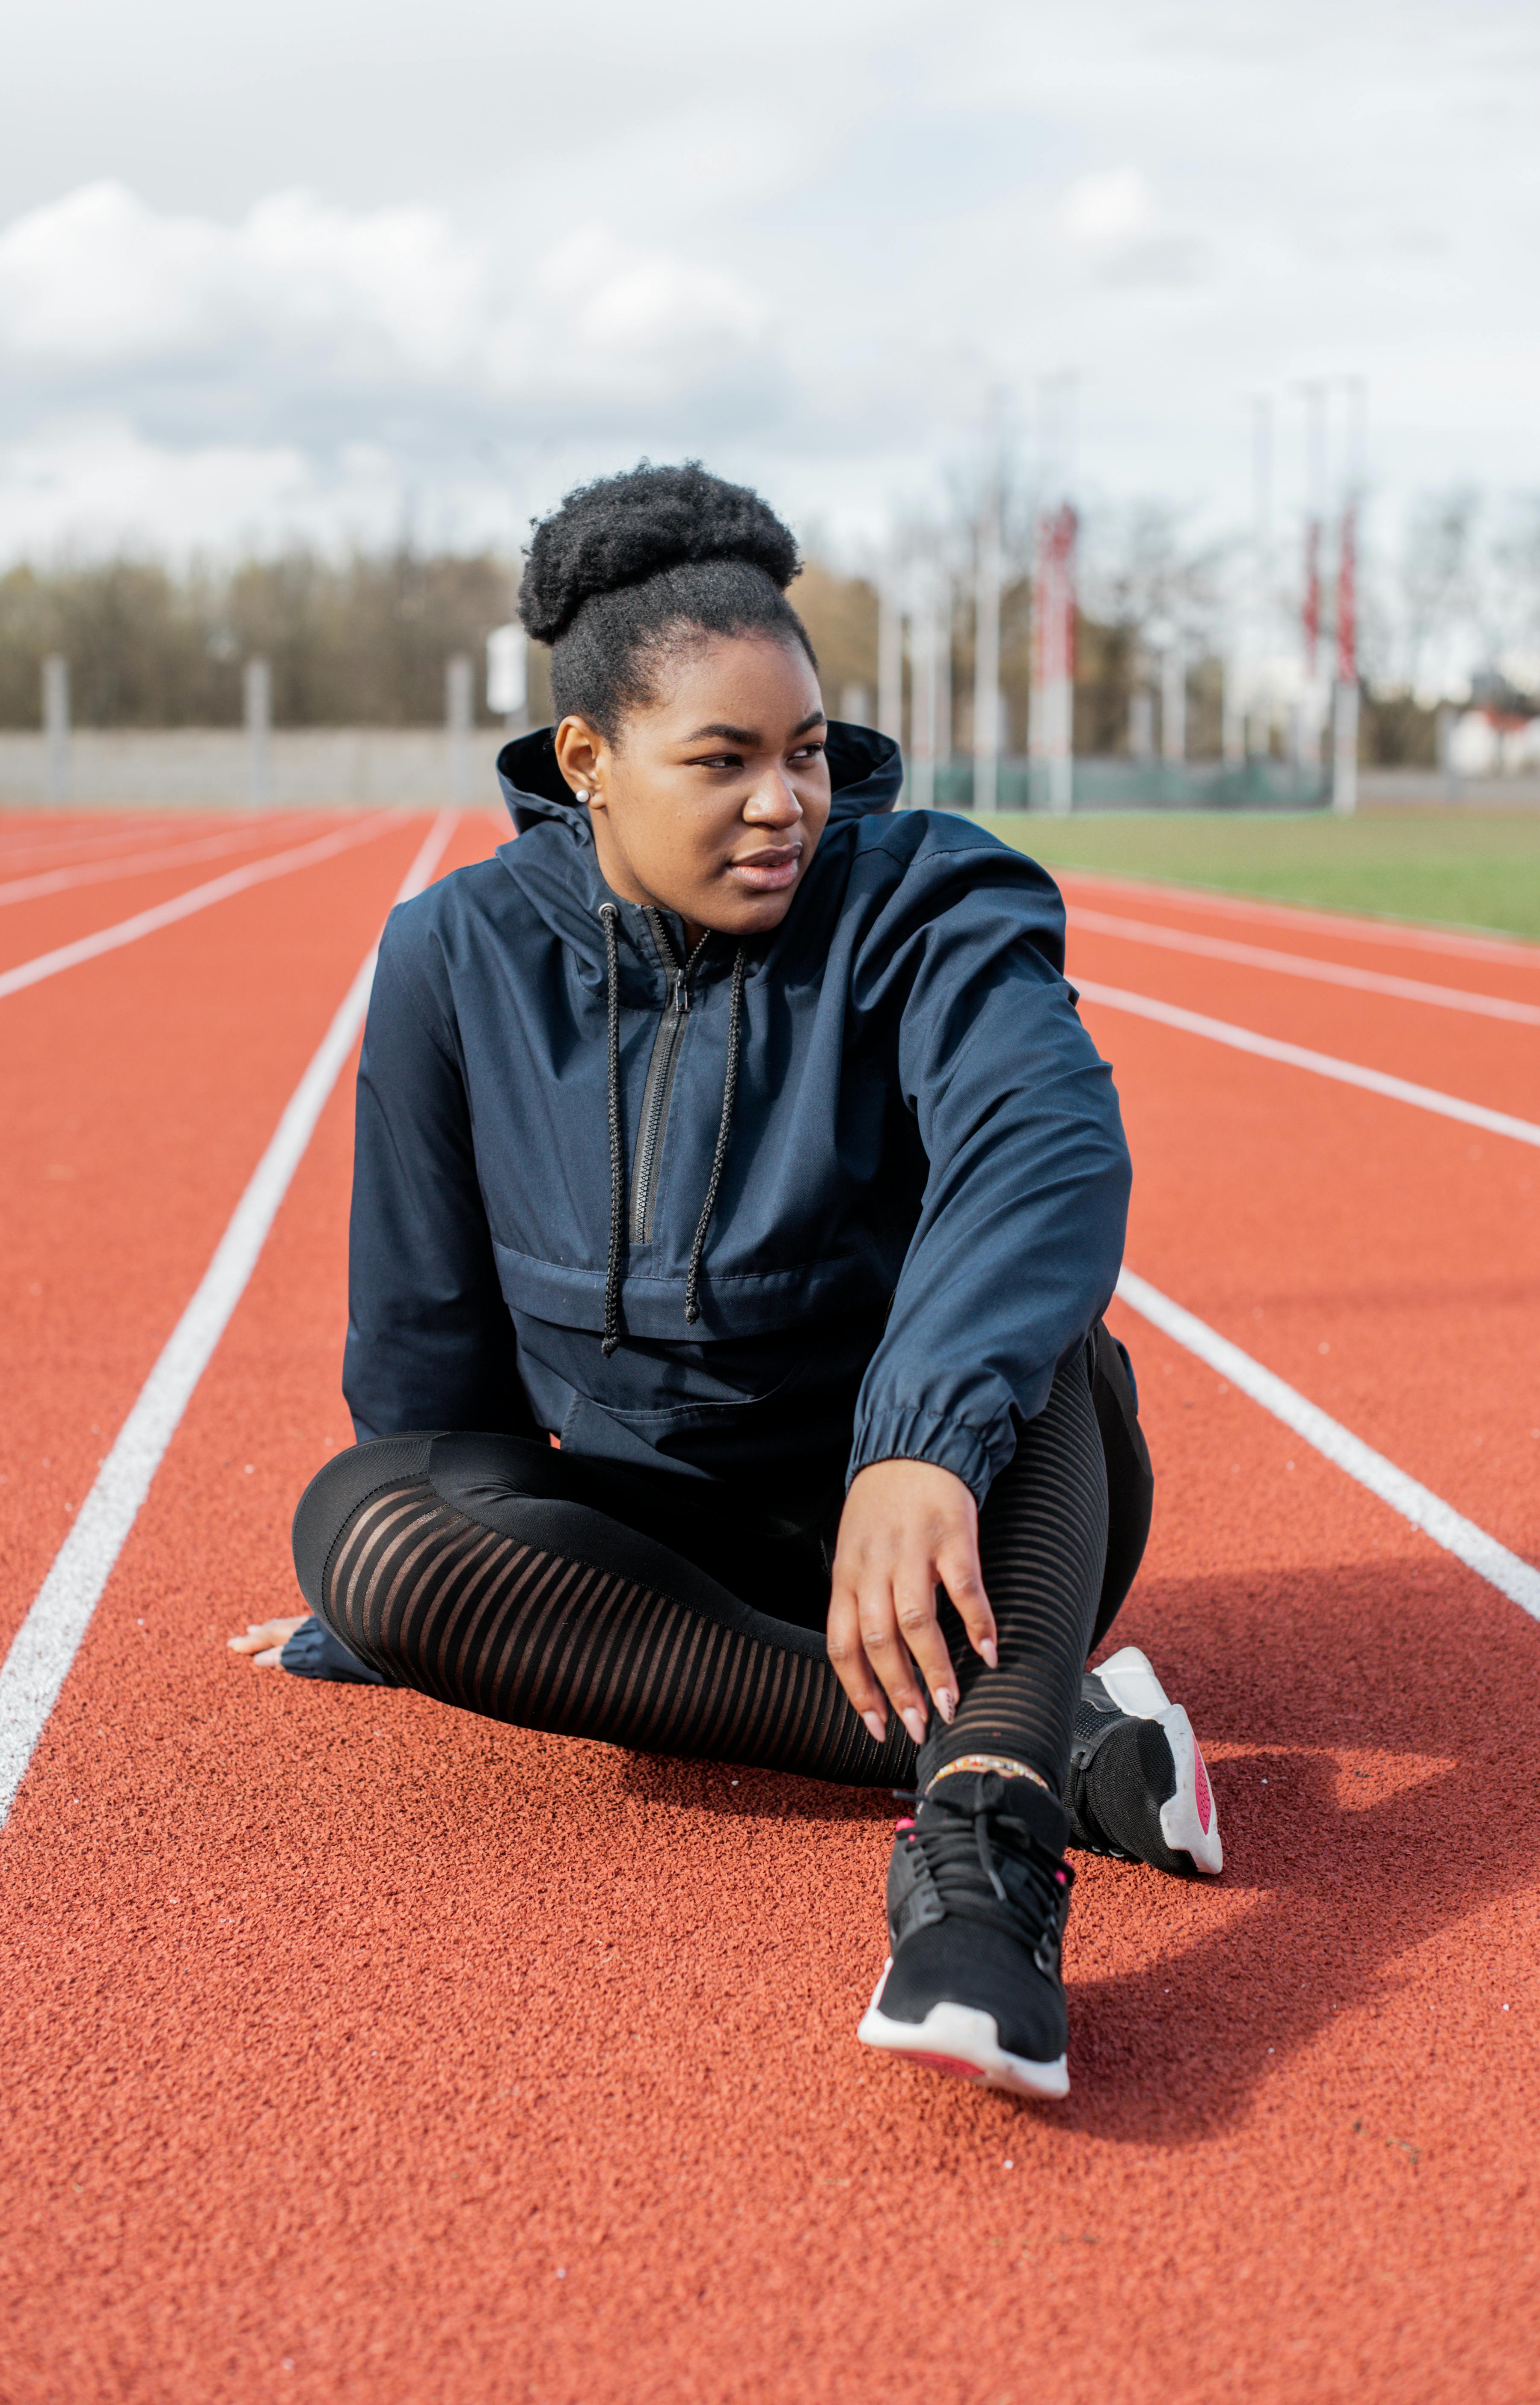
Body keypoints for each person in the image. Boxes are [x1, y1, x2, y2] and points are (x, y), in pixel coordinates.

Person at [231, 462, 1221, 2099]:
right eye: (727, 761)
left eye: (808, 752)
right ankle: (1051, 1737)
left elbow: (1048, 1151)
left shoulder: (928, 901)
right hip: (666, 1551)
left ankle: (985, 1847)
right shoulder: (455, 954)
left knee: (1034, 1344)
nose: (789, 802)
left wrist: (916, 1441)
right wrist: (398, 1615)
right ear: (588, 763)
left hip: (959, 1521)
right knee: (367, 1527)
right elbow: (426, 1340)